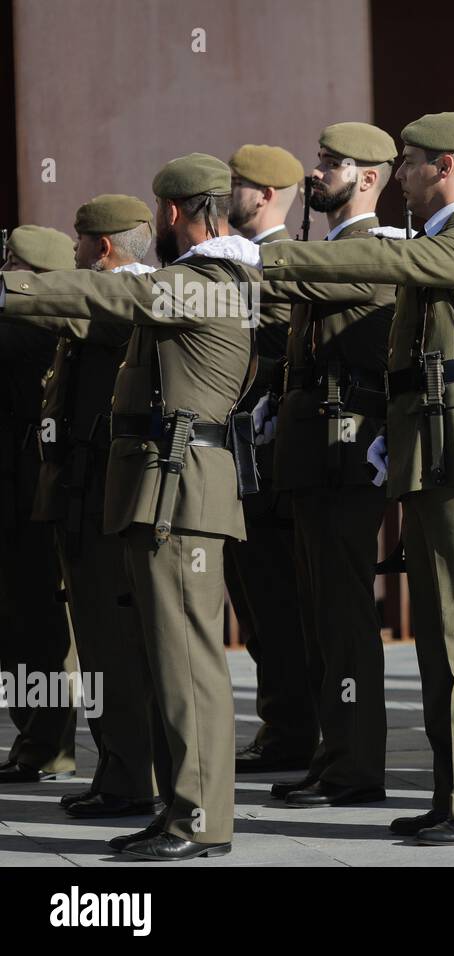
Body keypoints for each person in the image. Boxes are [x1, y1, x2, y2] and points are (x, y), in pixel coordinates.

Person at [261, 112, 454, 846]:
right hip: (435, 451)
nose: (400, 174)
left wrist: (263, 261)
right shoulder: (443, 242)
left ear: (444, 167)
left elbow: (379, 266)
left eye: (408, 163)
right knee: (444, 633)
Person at [0, 153, 259, 858]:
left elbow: (107, 297)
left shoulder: (209, 286)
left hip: (182, 489)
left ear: (174, 213)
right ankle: (181, 807)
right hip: (167, 487)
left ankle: (198, 820)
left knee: (187, 665)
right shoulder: (207, 281)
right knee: (172, 659)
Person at [0, 198, 161, 817]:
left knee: (110, 644)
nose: (75, 251)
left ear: (102, 248)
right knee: (94, 644)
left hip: (101, 499)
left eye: (81, 241)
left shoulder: (123, 302)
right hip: (76, 496)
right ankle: (116, 770)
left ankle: (127, 775)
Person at [259, 123, 399, 807]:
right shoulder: (332, 249)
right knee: (318, 613)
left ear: (369, 178)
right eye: (316, 163)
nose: (316, 174)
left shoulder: (371, 253)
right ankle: (331, 752)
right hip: (315, 451)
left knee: (344, 615)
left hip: (349, 451)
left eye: (330, 164)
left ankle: (355, 767)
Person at [224, 144, 318, 776]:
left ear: (263, 195)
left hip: (270, 462)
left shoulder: (280, 266)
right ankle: (282, 723)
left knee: (277, 600)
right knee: (254, 599)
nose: (228, 194)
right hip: (239, 460)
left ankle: (292, 729)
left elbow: (282, 357)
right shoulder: (239, 262)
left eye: (237, 184)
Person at [0, 226, 79, 786]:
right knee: (20, 625)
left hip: (30, 493)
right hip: (19, 490)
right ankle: (36, 741)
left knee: (37, 625)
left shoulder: (33, 328)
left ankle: (46, 745)